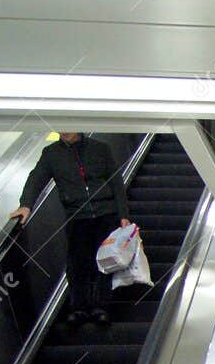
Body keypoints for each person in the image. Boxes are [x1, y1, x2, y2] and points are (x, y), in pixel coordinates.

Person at [9, 132, 132, 326]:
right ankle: (79, 308)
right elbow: (36, 178)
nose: (65, 130)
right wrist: (26, 204)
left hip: (106, 213)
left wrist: (123, 214)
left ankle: (102, 307)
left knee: (106, 261)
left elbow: (116, 182)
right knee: (77, 264)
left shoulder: (100, 149)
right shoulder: (51, 154)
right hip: (77, 216)